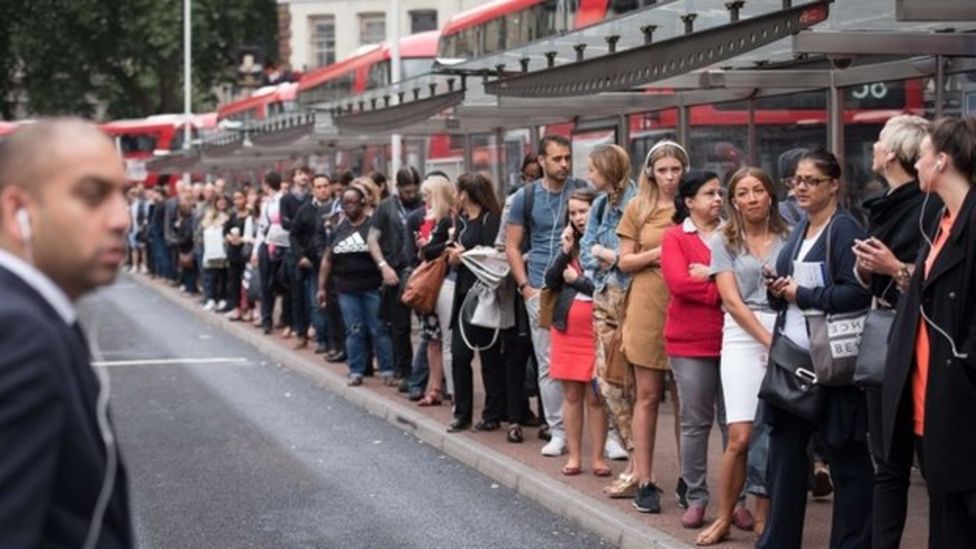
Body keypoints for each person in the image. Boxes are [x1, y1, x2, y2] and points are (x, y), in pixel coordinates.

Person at [0, 118, 133, 547]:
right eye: (92, 195)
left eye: (124, 195)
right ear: (16, 209)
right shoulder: (20, 334)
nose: (121, 219)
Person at [760, 149, 873, 549]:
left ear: (834, 185)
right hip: (794, 360)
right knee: (786, 459)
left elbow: (858, 294)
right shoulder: (800, 229)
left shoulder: (844, 230)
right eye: (796, 181)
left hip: (834, 366)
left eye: (810, 180)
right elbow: (789, 291)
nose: (800, 188)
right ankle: (778, 541)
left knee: (847, 459)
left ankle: (852, 542)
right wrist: (779, 290)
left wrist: (801, 293)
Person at [883, 117, 976, 548]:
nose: (915, 164)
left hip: (958, 403)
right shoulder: (939, 221)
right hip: (927, 402)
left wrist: (962, 370)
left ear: (942, 161)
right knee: (945, 523)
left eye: (921, 155)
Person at [850, 114, 941, 549]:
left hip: (918, 344)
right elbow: (878, 278)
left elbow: (934, 283)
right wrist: (867, 271)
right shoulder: (883, 204)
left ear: (893, 154)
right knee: (886, 463)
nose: (873, 148)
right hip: (884, 341)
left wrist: (892, 268)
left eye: (879, 141)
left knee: (926, 461)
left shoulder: (929, 207)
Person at [697, 167, 789, 545]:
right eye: (743, 192)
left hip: (786, 329)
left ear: (770, 195)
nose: (752, 198)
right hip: (742, 335)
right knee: (741, 435)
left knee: (776, 429)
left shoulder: (790, 236)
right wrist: (769, 342)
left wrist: (780, 340)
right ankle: (723, 517)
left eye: (758, 190)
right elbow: (731, 302)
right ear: (733, 200)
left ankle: (764, 511)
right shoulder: (724, 240)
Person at [505, 135, 588, 456]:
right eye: (557, 159)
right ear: (541, 160)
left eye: (567, 157)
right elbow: (512, 245)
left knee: (594, 359)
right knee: (548, 362)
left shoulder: (579, 188)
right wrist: (525, 286)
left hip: (579, 284)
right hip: (542, 286)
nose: (564, 164)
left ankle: (606, 433)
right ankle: (558, 430)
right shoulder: (526, 197)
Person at [617, 140, 686, 513]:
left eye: (676, 169)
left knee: (685, 401)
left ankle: (689, 479)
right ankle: (644, 479)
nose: (670, 176)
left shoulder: (692, 204)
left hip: (685, 305)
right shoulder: (638, 207)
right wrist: (662, 252)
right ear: (651, 172)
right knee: (647, 396)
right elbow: (624, 262)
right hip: (646, 304)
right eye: (663, 170)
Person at [660, 170, 727, 529]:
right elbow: (679, 283)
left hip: (733, 339)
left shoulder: (733, 233)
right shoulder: (674, 237)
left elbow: (748, 279)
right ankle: (696, 497)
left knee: (735, 425)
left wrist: (711, 275)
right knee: (695, 422)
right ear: (689, 202)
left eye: (719, 193)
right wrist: (722, 285)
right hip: (689, 343)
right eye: (708, 194)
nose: (717, 199)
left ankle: (737, 500)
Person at [578, 144, 639, 495]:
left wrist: (609, 256)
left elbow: (634, 256)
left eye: (593, 169)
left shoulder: (635, 204)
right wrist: (609, 257)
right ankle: (632, 455)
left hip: (632, 300)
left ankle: (638, 466)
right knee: (607, 382)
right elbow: (588, 251)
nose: (589, 175)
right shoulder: (601, 205)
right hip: (603, 298)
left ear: (609, 170)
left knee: (636, 386)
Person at [424, 173, 503, 432]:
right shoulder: (460, 221)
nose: (456, 196)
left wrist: (464, 255)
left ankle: (492, 413)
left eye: (459, 191)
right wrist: (451, 257)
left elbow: (494, 255)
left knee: (490, 357)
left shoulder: (491, 220)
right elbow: (442, 251)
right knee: (459, 354)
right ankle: (463, 412)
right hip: (463, 295)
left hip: (486, 295)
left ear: (466, 194)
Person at [545, 188, 610, 476]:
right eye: (573, 213)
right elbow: (549, 280)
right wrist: (564, 251)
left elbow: (608, 287)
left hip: (597, 328)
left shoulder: (606, 240)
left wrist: (578, 280)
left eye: (583, 211)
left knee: (596, 396)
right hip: (567, 329)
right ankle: (574, 456)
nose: (578, 217)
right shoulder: (567, 242)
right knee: (572, 395)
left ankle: (598, 457)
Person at [317, 185, 394, 386]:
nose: (348, 206)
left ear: (363, 203)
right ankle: (356, 370)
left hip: (372, 287)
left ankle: (387, 369)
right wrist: (321, 288)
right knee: (354, 329)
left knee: (378, 329)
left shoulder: (372, 227)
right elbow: (327, 259)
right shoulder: (338, 229)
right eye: (344, 203)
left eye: (352, 202)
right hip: (346, 289)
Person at [369, 166, 423, 386]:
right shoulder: (385, 207)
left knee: (427, 327)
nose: (411, 195)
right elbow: (372, 240)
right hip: (395, 270)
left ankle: (424, 372)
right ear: (397, 188)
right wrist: (383, 266)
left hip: (420, 270)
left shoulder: (424, 203)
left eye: (414, 190)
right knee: (399, 325)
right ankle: (404, 370)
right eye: (406, 191)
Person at [414, 173, 457, 407]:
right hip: (435, 284)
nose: (425, 200)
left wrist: (426, 247)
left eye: (428, 195)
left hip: (442, 284)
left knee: (441, 340)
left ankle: (443, 388)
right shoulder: (435, 219)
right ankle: (436, 386)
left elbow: (431, 251)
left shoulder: (447, 220)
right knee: (432, 340)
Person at [291, 173, 336, 353]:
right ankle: (322, 339)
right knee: (316, 302)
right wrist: (300, 256)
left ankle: (335, 341)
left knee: (335, 303)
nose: (323, 189)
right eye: (318, 187)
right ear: (313, 190)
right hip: (314, 264)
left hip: (337, 263)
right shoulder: (305, 209)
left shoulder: (338, 208)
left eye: (325, 185)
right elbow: (294, 234)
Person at [254, 172, 289, 335]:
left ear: (267, 184)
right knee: (265, 284)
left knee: (281, 282)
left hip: (282, 246)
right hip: (267, 246)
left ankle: (285, 319)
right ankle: (267, 319)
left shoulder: (284, 200)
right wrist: (256, 251)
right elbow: (262, 228)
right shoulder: (265, 203)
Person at [281, 167, 310, 343]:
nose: (304, 177)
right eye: (299, 174)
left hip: (311, 249)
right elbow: (285, 223)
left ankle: (312, 327)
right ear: (293, 178)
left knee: (311, 294)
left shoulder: (311, 198)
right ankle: (300, 331)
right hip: (294, 251)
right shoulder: (286, 199)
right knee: (296, 293)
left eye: (305, 174)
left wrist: (296, 224)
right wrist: (300, 225)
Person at [200, 194, 230, 312]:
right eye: (219, 202)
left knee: (223, 275)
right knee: (210, 275)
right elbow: (205, 226)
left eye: (223, 202)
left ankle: (222, 298)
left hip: (224, 249)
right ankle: (210, 298)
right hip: (212, 249)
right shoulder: (210, 214)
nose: (221, 204)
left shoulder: (229, 215)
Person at [224, 190, 250, 321]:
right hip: (233, 253)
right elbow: (225, 230)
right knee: (234, 281)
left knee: (246, 282)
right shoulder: (232, 215)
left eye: (240, 198)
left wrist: (242, 239)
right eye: (235, 199)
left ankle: (247, 308)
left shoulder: (250, 215)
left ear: (245, 199)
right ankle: (236, 308)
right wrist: (230, 238)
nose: (237, 201)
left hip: (246, 252)